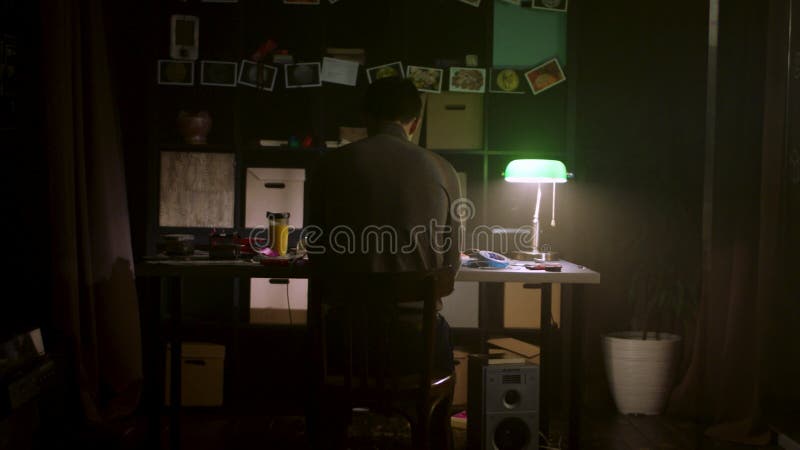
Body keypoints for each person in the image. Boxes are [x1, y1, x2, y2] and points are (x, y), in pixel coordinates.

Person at [306, 76, 462, 374]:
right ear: (414, 123)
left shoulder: (329, 166)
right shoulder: (444, 170)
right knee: (438, 337)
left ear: (366, 118)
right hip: (417, 338)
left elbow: (317, 255)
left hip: (348, 337)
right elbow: (451, 265)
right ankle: (428, 406)